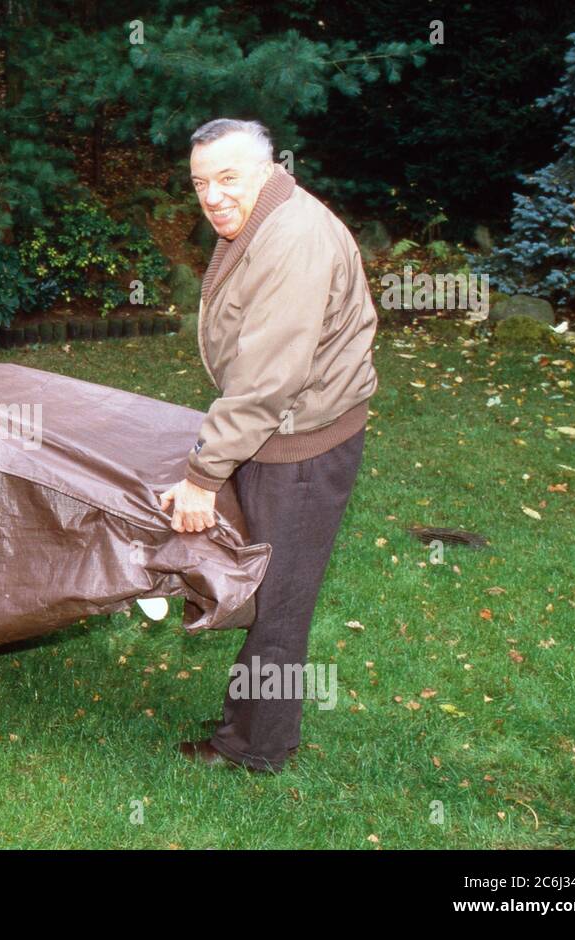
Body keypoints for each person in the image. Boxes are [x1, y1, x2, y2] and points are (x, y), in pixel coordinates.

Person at [159, 118, 379, 771]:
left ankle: (255, 747)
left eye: (227, 177)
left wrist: (202, 476)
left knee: (278, 605)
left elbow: (266, 382)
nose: (212, 195)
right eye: (200, 182)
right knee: (268, 591)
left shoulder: (293, 240)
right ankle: (252, 723)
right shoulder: (265, 219)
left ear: (266, 168)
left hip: (303, 445)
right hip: (280, 433)